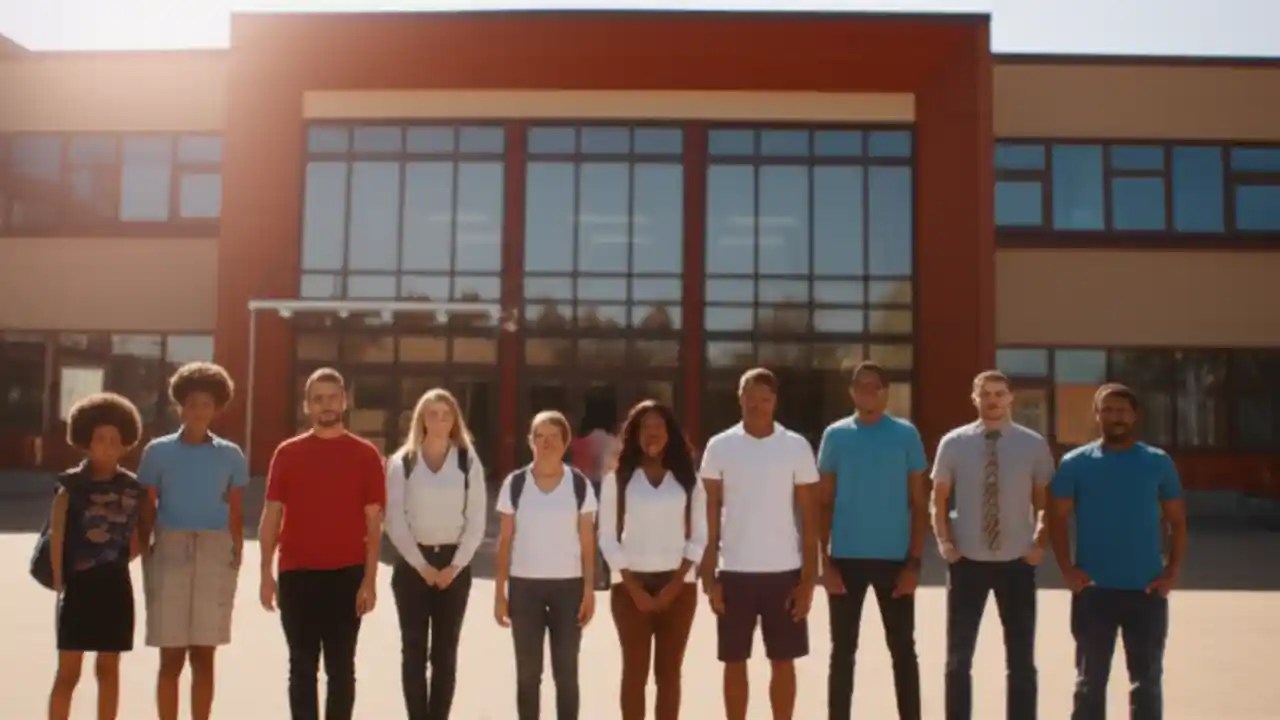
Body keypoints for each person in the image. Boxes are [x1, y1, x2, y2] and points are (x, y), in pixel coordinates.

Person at [1050, 383, 1187, 720]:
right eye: (1108, 409)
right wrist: (1067, 568)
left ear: (1135, 415)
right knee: (1089, 682)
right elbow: (1057, 519)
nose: (1116, 416)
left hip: (1147, 591)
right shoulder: (1075, 463)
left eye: (1122, 410)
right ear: (1097, 415)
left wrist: (1171, 571)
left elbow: (1177, 522)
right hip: (1093, 592)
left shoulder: (1157, 462)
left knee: (1147, 682)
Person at [258, 367, 386, 720]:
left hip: (347, 575)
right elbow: (271, 517)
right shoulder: (287, 453)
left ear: (345, 401)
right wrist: (265, 574)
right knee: (301, 667)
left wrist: (370, 580)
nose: (325, 405)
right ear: (306, 406)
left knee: (341, 669)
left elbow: (374, 524)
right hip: (297, 575)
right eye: (318, 399)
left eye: (332, 397)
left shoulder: (365, 455)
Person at [932, 370, 1055, 720]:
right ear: (975, 399)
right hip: (967, 562)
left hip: (1017, 563)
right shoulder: (953, 443)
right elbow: (937, 498)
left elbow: (1044, 501)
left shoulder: (1032, 445)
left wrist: (1039, 542)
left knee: (1021, 659)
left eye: (1000, 394)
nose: (993, 401)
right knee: (958, 658)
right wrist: (945, 542)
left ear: (1011, 398)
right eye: (985, 394)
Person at [700, 367, 820, 720]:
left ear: (775, 402)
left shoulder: (795, 446)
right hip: (734, 571)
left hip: (783, 573)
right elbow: (708, 512)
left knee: (783, 661)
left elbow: (810, 516)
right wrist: (709, 575)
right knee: (734, 661)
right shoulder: (719, 447)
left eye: (764, 399)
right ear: (739, 398)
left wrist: (809, 578)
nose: (757, 405)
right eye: (750, 397)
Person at [137, 362, 250, 720]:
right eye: (191, 403)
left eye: (205, 403)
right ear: (179, 406)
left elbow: (235, 509)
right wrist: (147, 550)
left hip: (215, 551)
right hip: (169, 549)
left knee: (204, 654)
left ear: (216, 407)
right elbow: (147, 506)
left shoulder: (231, 455)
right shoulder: (157, 452)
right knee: (170, 656)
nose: (198, 409)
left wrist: (237, 550)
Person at [817, 360, 929, 720]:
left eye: (875, 386)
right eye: (861, 386)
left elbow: (918, 503)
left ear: (885, 392)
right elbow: (823, 502)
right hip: (845, 560)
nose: (868, 392)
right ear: (852, 391)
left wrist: (914, 563)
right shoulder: (835, 435)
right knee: (842, 653)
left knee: (903, 650)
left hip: (894, 561)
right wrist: (825, 563)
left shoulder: (906, 434)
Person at [598, 400, 707, 720]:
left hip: (679, 588)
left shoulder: (688, 479)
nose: (653, 433)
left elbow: (700, 536)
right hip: (631, 589)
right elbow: (607, 537)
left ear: (670, 433)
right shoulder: (617, 479)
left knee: (669, 674)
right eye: (646, 427)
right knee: (634, 673)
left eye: (659, 426)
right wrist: (634, 588)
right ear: (634, 434)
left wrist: (675, 585)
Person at [384, 388, 488, 720]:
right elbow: (394, 520)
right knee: (413, 650)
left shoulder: (467, 459)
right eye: (433, 414)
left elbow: (476, 519)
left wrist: (455, 566)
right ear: (421, 419)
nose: (440, 421)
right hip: (413, 567)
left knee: (445, 654)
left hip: (454, 569)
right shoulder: (403, 461)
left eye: (446, 414)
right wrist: (422, 566)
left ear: (455, 419)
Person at [47, 393, 146, 720]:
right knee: (68, 672)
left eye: (114, 439)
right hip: (77, 587)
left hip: (116, 588)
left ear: (125, 444)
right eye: (99, 438)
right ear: (86, 441)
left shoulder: (133, 488)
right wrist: (61, 583)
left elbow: (138, 539)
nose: (106, 445)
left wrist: (113, 562)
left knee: (108, 669)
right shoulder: (70, 486)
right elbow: (57, 533)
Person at [494, 410, 598, 720]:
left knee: (566, 674)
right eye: (540, 436)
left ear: (566, 442)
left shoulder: (579, 485)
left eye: (553, 436)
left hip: (568, 588)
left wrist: (589, 589)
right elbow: (504, 541)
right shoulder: (515, 484)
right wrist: (500, 592)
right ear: (530, 442)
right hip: (525, 588)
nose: (546, 442)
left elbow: (587, 542)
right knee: (528, 675)